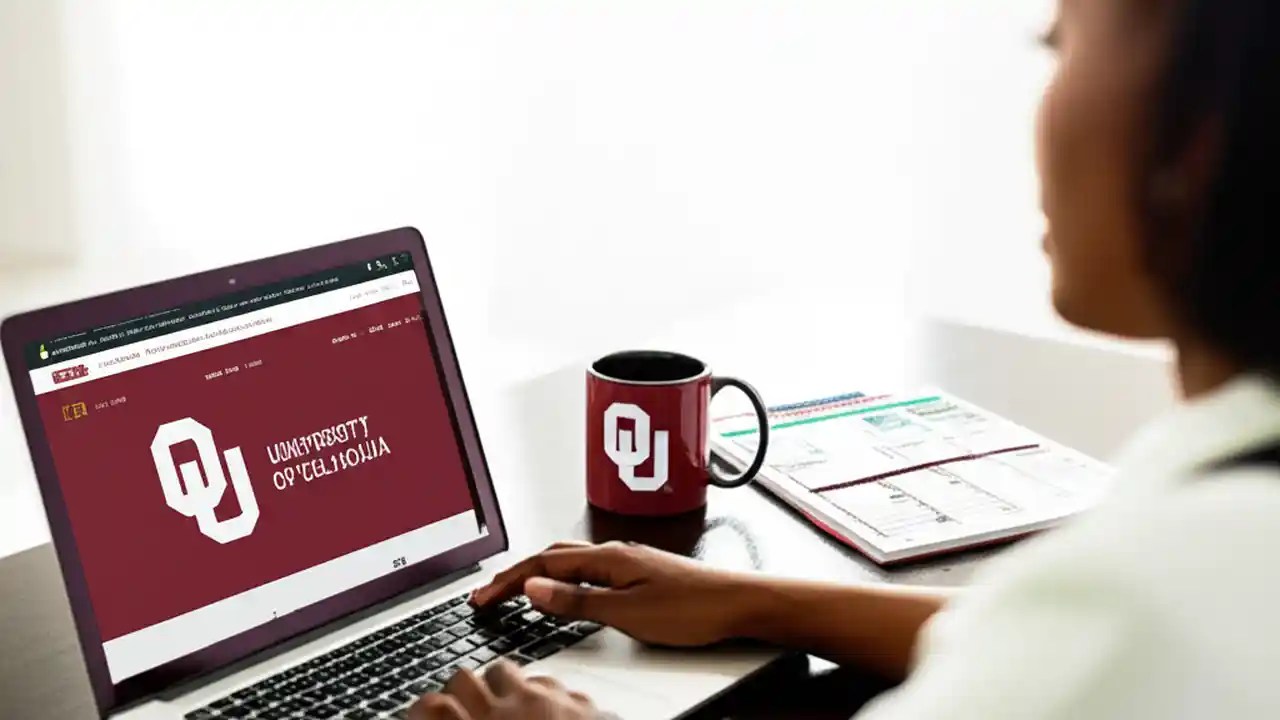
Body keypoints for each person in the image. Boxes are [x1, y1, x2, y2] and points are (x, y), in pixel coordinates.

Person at [411, 0, 1280, 716]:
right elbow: (1042, 634)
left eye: (1060, 45)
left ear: (1204, 129)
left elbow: (1114, 630)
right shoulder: (1187, 561)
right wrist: (756, 602)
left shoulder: (1157, 599)